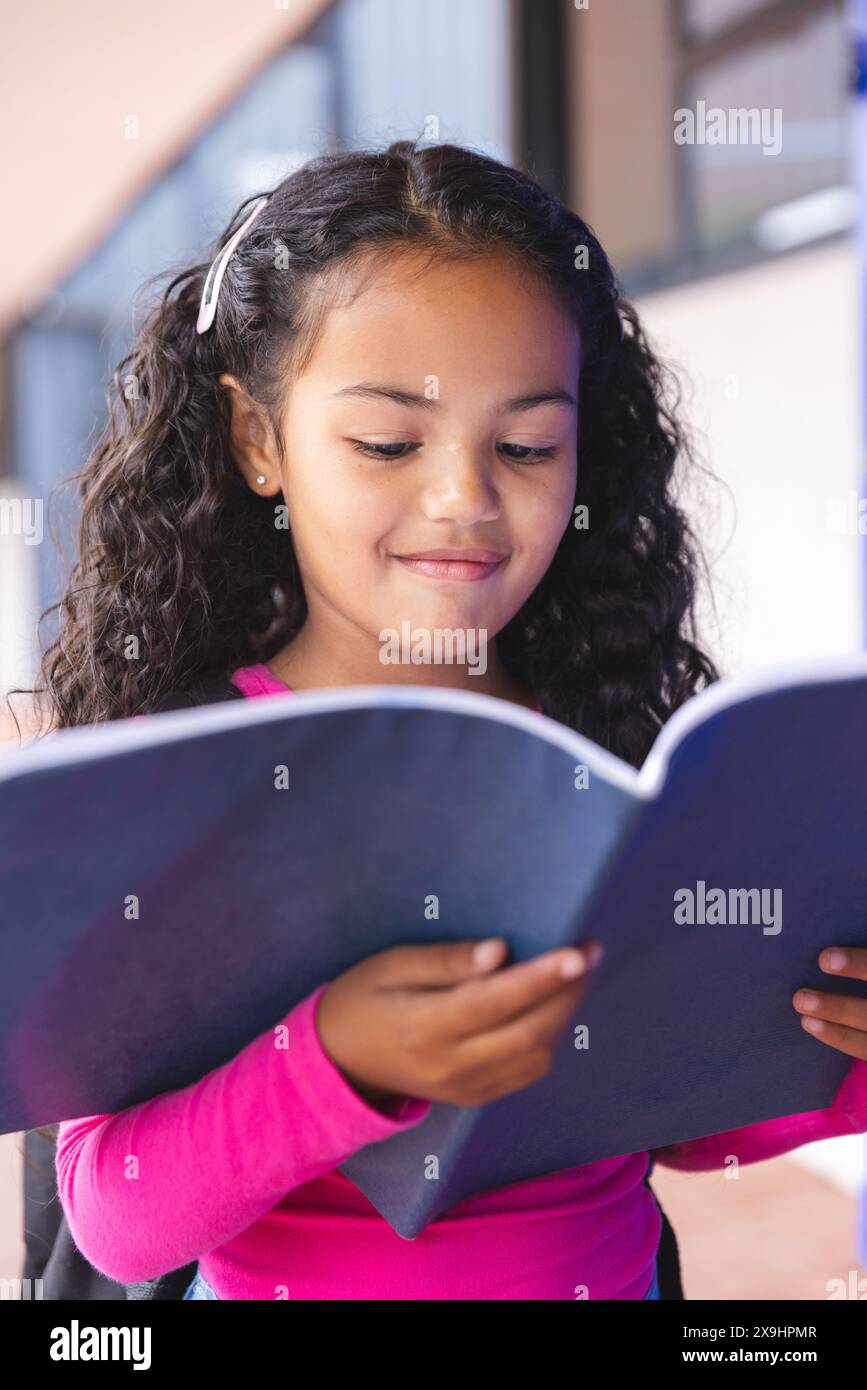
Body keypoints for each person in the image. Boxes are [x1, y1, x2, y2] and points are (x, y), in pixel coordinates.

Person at [17, 139, 867, 1300]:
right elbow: (117, 1218)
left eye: (526, 445)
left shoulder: (613, 746)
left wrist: (837, 1060)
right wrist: (334, 1061)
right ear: (260, 440)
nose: (464, 498)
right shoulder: (185, 774)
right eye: (387, 443)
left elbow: (663, 1131)